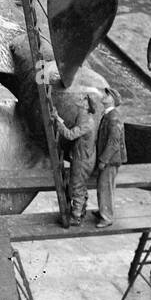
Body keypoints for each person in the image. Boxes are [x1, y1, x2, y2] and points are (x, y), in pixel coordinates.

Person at [52, 92, 98, 227]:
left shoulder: (86, 122)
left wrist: (57, 121)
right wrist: (58, 118)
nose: (81, 98)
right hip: (83, 156)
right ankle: (81, 209)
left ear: (87, 106)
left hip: (83, 159)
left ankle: (76, 216)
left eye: (84, 99)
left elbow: (70, 134)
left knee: (77, 186)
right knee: (80, 184)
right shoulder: (83, 117)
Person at [94, 88, 127, 229]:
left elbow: (113, 143)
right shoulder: (108, 115)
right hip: (110, 159)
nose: (104, 96)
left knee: (105, 187)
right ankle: (104, 210)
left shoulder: (113, 118)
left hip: (110, 160)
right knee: (104, 186)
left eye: (107, 95)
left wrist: (103, 160)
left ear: (112, 100)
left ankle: (107, 217)